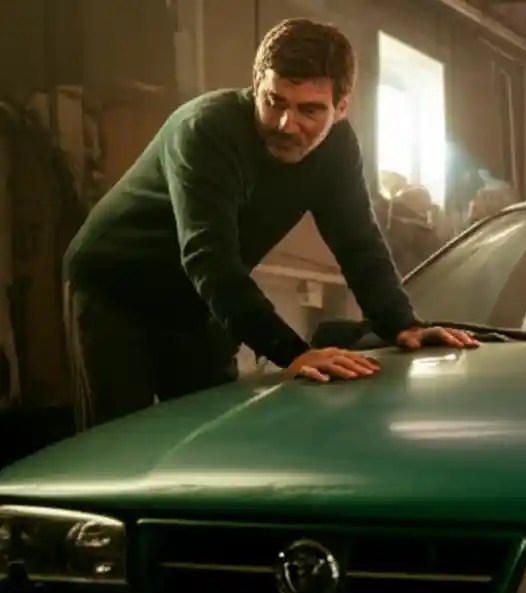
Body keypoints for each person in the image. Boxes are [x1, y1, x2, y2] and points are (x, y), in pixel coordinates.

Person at [61, 18, 478, 431]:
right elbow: (209, 256)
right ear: (256, 83)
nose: (286, 125)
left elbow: (359, 243)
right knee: (117, 442)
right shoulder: (206, 128)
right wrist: (291, 352)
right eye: (274, 101)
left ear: (342, 107)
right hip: (117, 287)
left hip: (199, 300)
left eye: (310, 110)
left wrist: (403, 324)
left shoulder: (337, 148)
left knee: (212, 438)